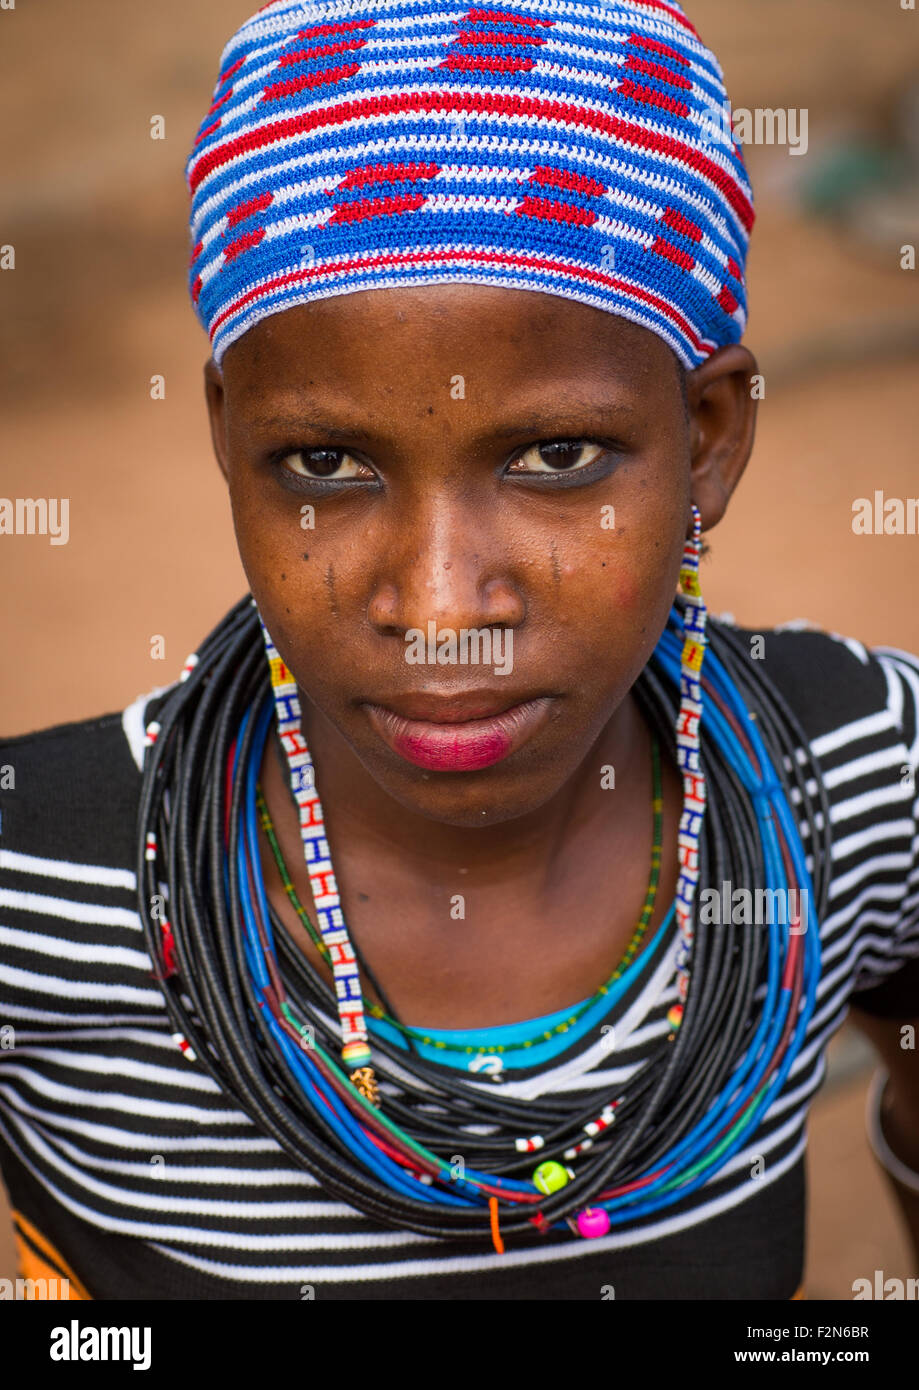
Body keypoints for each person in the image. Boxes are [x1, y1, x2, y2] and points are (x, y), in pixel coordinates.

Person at [0, 0, 917, 1302]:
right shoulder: (34, 884)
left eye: (556, 457)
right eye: (325, 462)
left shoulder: (868, 778)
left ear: (708, 435)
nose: (438, 601)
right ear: (227, 432)